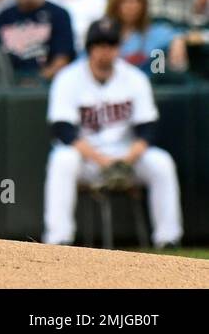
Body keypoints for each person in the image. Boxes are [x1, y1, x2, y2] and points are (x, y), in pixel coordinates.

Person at [43, 20, 183, 248]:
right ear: (89, 48)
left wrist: (125, 160)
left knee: (161, 162)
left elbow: (148, 129)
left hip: (126, 157)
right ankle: (59, 238)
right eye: (99, 44)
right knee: (62, 159)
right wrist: (102, 161)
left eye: (110, 44)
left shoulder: (135, 78)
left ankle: (168, 239)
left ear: (118, 47)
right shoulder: (67, 78)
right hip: (87, 159)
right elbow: (63, 130)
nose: (105, 50)